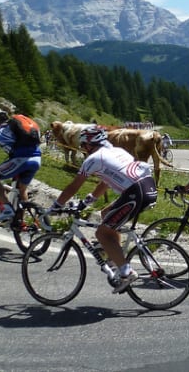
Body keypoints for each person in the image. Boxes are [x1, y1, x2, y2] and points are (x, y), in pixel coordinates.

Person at [47, 125, 158, 292]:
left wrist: (56, 206)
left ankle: (126, 272)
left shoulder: (93, 159)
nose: (83, 149)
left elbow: (73, 186)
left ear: (91, 144)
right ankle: (115, 258)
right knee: (106, 213)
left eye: (84, 145)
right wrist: (88, 200)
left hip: (136, 193)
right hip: (147, 188)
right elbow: (105, 181)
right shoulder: (117, 151)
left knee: (102, 233)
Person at [0, 110, 43, 224]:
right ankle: (20, 221)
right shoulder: (20, 130)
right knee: (22, 190)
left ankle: (6, 209)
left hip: (21, 160)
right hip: (37, 160)